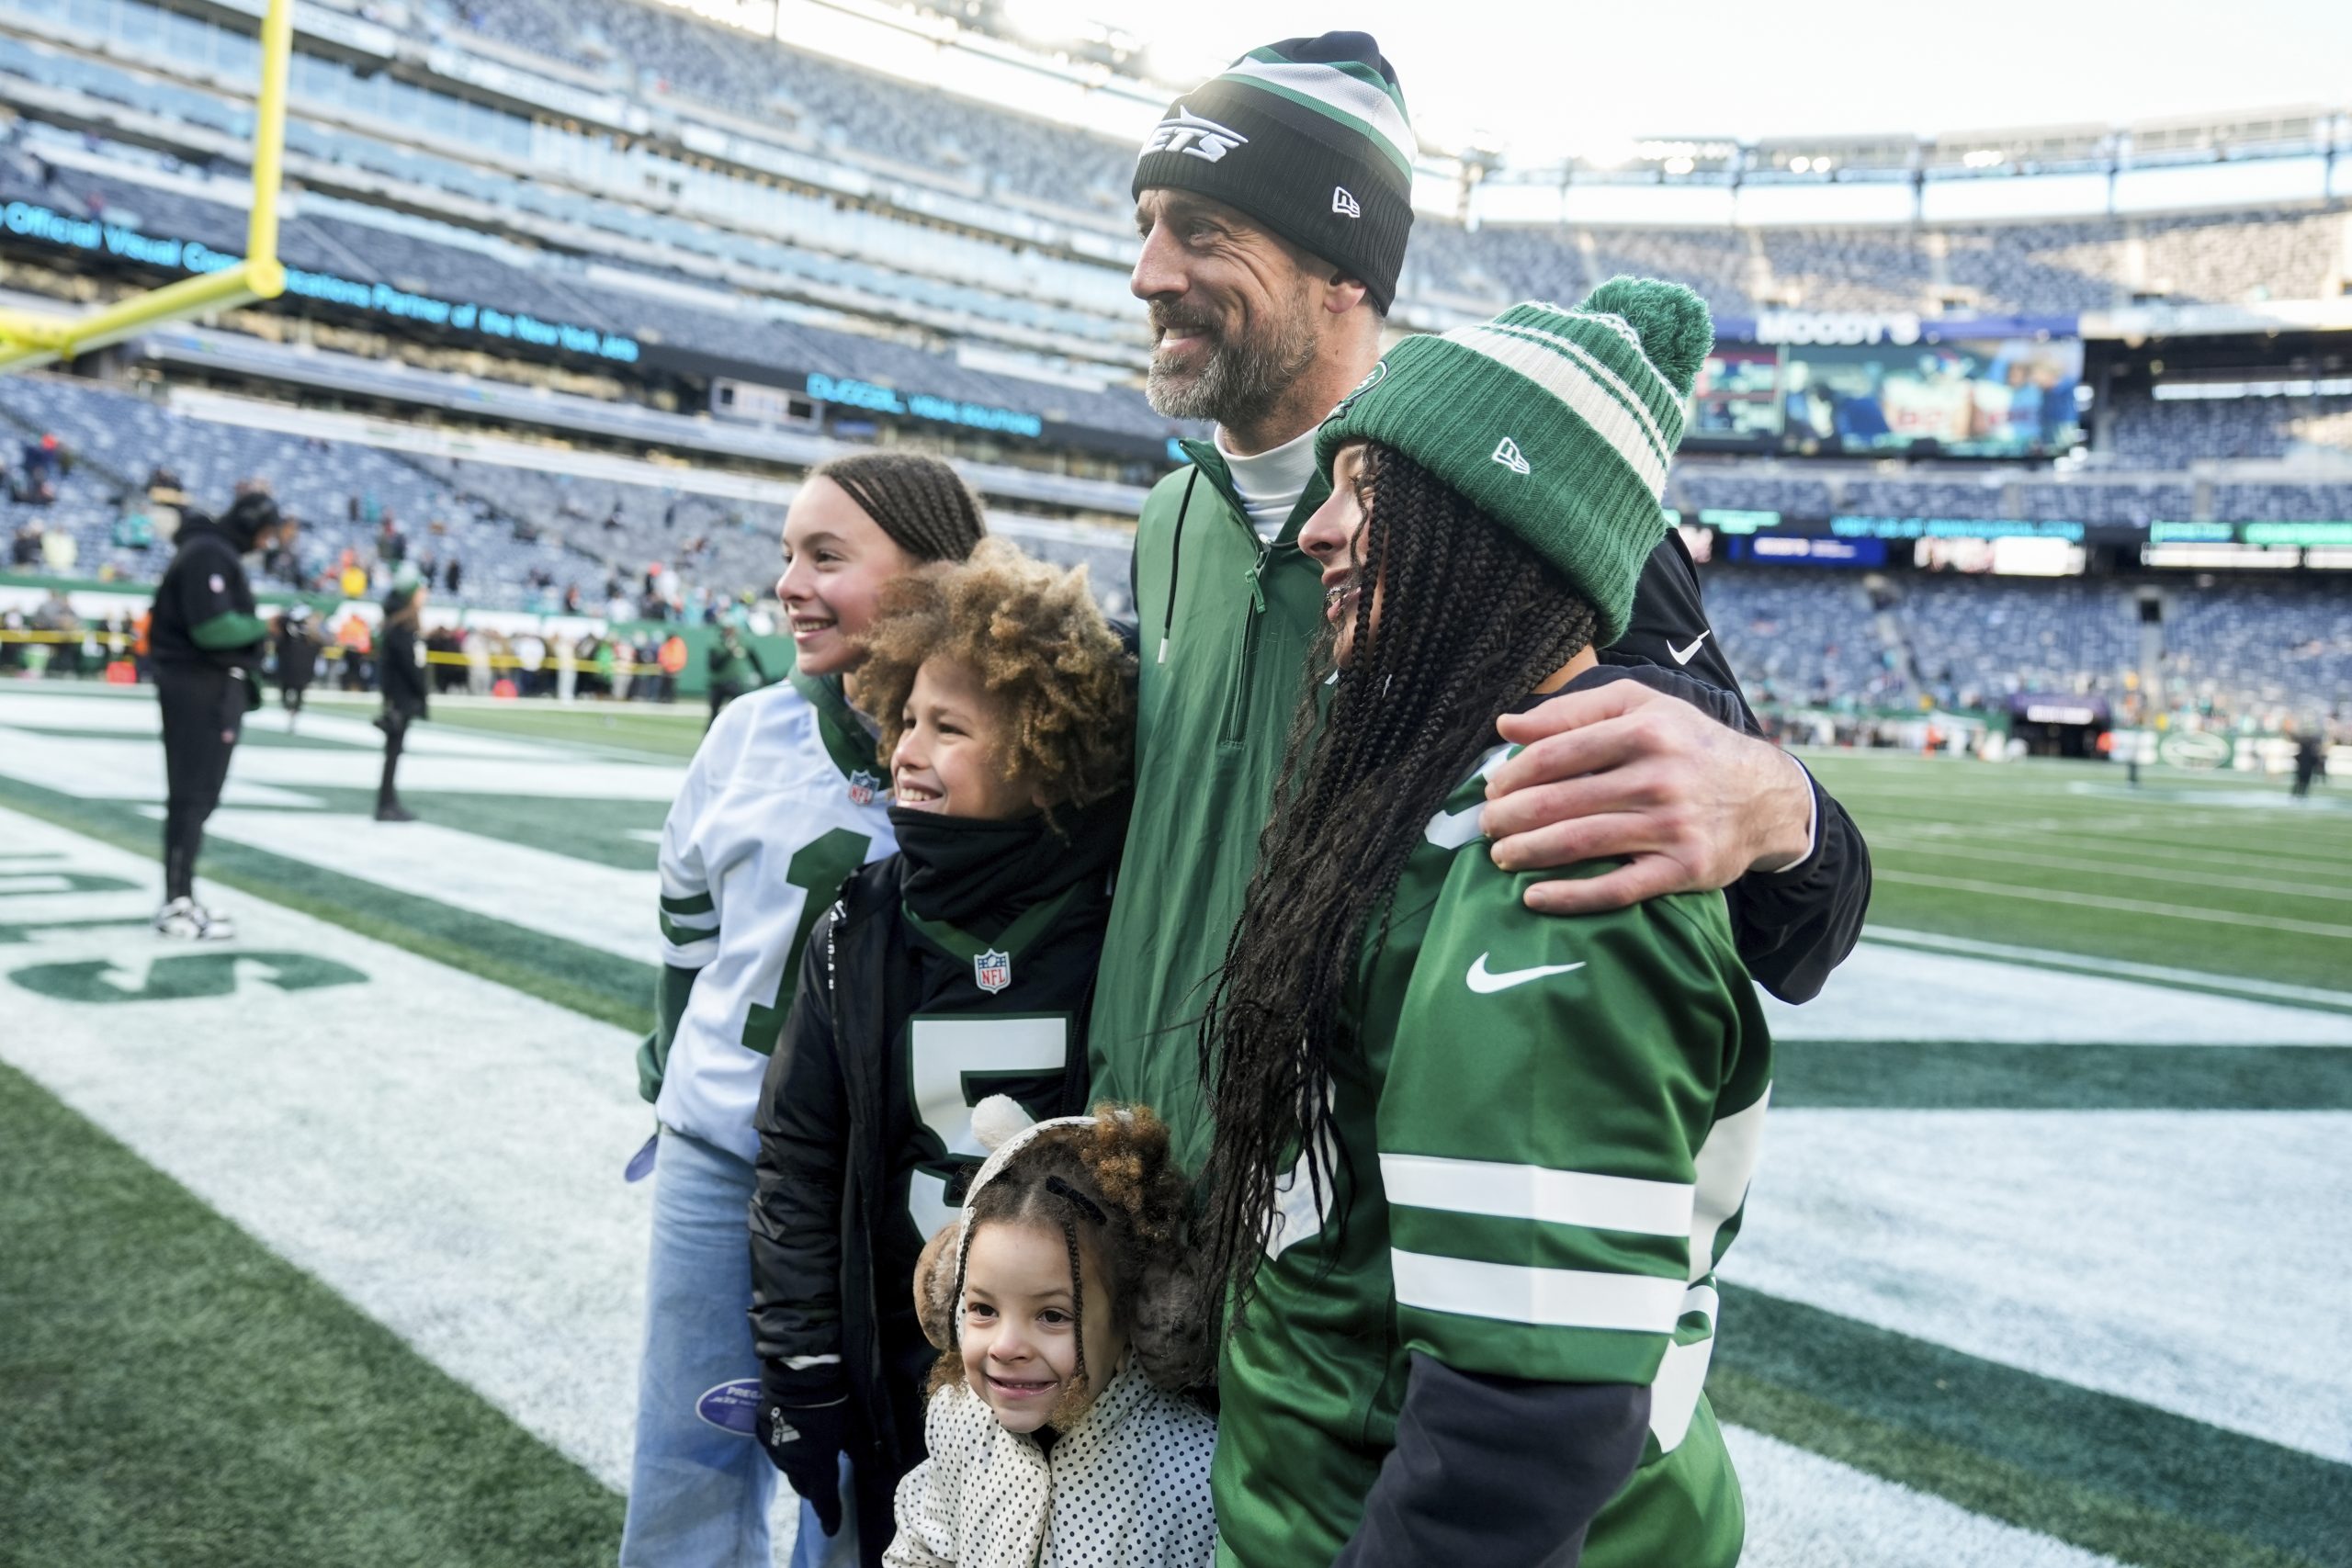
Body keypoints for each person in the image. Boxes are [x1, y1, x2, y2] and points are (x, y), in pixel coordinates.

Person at [1093, 32, 1867, 1174]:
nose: (1149, 273)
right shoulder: (1169, 516)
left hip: (1335, 1264)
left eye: (1204, 232)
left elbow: (1801, 915)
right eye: (1147, 225)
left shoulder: (1512, 526)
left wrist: (1777, 803)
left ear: (1345, 268)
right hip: (1131, 1202)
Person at [1200, 285, 1770, 1566]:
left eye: (1371, 488)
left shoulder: (1553, 860)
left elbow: (1522, 1426)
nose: (1320, 528)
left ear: (1492, 523)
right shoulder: (1447, 786)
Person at [624, 454, 989, 1568]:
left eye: (826, 556)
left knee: (859, 1467)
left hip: (875, 1175)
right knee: (691, 1438)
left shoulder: (985, 748)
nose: (789, 582)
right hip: (723, 1147)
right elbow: (686, 936)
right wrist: (674, 1080)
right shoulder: (744, 732)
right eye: (787, 552)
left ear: (931, 581)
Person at [748, 541, 1136, 1566]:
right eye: (905, 719)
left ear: (1048, 749)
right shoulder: (861, 925)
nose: (906, 751)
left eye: (949, 727)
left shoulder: (1115, 911)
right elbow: (798, 1153)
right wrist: (801, 1359)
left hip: (1080, 1385)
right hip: (904, 1372)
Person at [885, 1105, 1215, 1568]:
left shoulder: (1194, 1476)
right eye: (983, 1309)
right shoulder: (958, 1420)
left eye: (1052, 1316)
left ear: (1140, 1319)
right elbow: (921, 1545)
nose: (1005, 1346)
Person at [145, 490, 285, 940]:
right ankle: (177, 901)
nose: (265, 544)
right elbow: (212, 630)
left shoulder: (209, 549)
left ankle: (182, 896)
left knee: (198, 795)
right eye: (264, 534)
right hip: (200, 686)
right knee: (192, 794)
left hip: (204, 687)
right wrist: (268, 627)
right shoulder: (208, 553)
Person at [375, 567, 429, 823]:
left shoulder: (398, 624)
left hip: (399, 697)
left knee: (394, 753)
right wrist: (420, 693)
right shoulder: (403, 628)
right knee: (393, 753)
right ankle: (386, 804)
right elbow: (410, 667)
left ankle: (388, 801)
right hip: (401, 698)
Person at [706, 619, 771, 728]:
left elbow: (754, 659)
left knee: (740, 710)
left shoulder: (742, 642)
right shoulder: (716, 643)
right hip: (718, 682)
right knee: (714, 714)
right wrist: (728, 652)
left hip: (734, 682)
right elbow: (714, 666)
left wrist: (763, 676)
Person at [272, 604, 320, 730]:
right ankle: (290, 712)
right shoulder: (289, 631)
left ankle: (293, 713)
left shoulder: (310, 634)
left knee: (298, 692)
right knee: (287, 691)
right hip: (289, 667)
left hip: (300, 668)